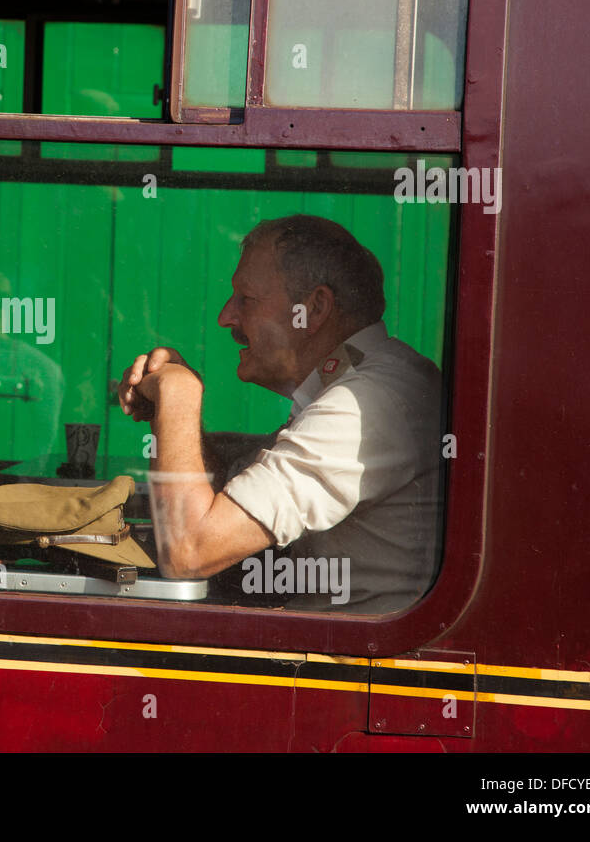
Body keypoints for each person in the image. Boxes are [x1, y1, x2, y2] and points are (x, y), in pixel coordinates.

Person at [118, 215, 443, 613]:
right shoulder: (363, 381)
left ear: (315, 308)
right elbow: (232, 487)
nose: (226, 317)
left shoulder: (368, 402)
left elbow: (190, 552)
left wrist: (180, 395)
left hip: (349, 668)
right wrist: (169, 416)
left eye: (246, 300)